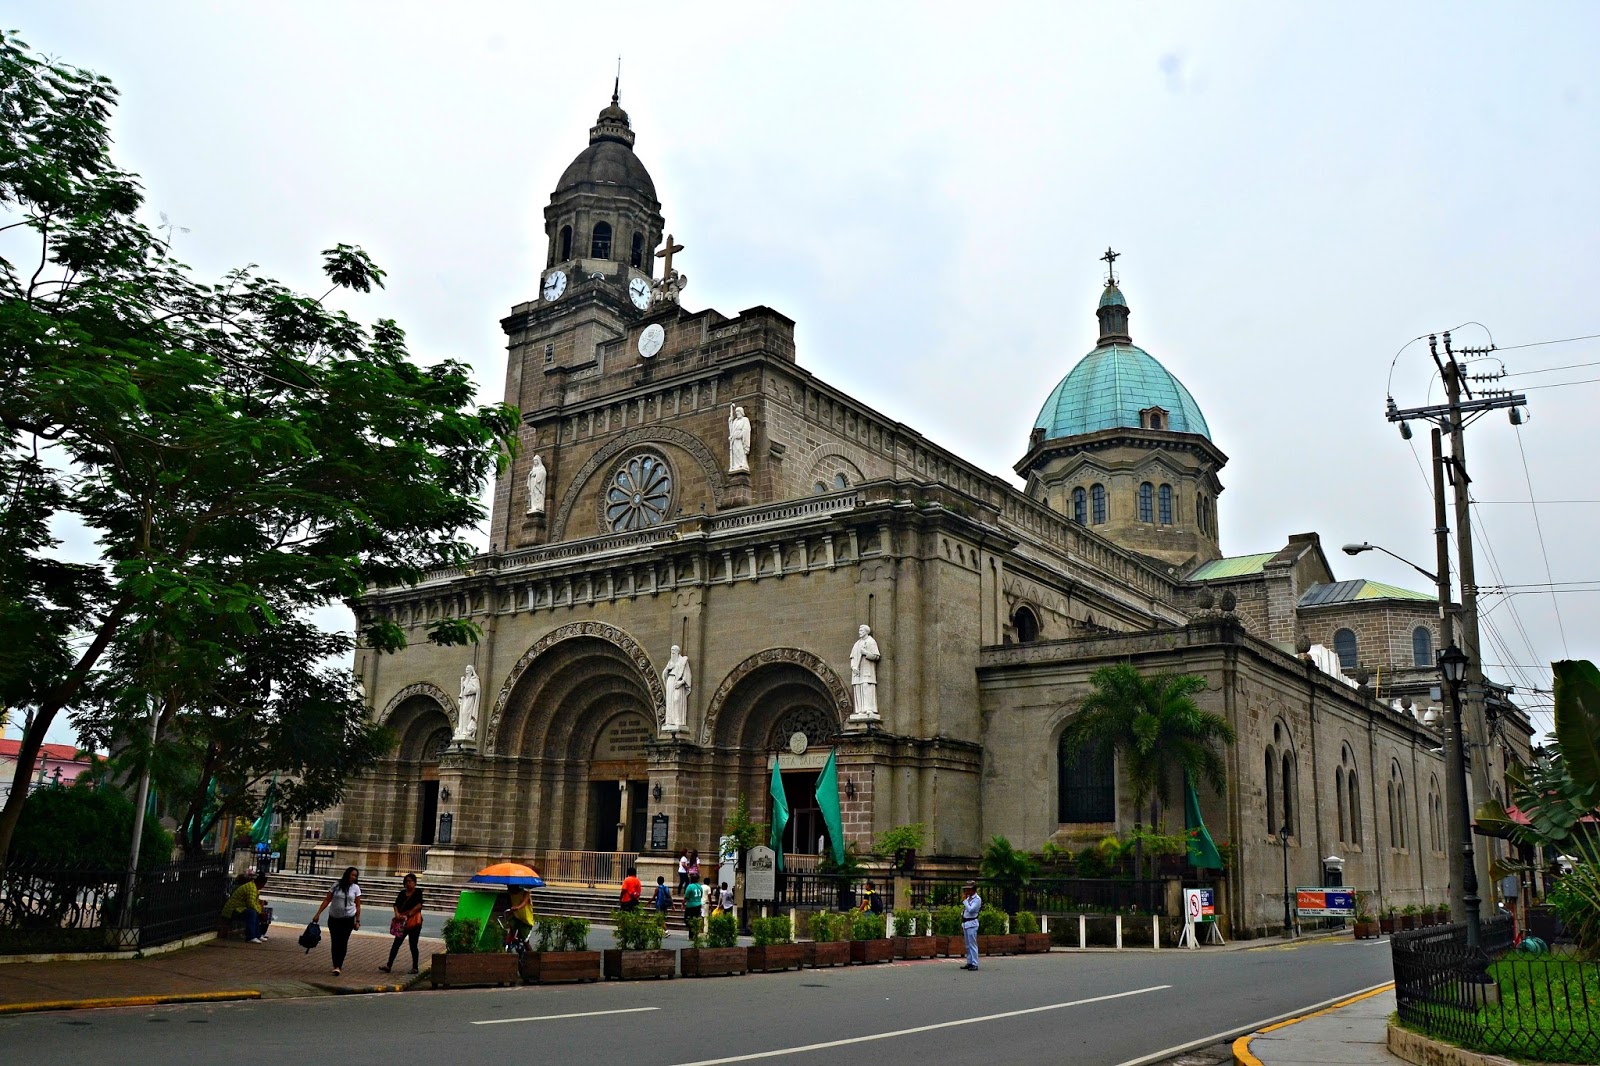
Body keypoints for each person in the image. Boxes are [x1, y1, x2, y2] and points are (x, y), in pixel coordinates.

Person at [313, 866, 362, 976]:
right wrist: (318, 913)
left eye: (355, 876)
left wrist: (357, 920)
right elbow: (327, 899)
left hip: (348, 918)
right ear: (347, 874)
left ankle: (338, 965)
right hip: (334, 918)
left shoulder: (356, 888)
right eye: (352, 875)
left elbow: (358, 905)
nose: (353, 877)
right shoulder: (336, 886)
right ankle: (335, 963)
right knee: (335, 941)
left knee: (343, 942)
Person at [381, 872, 424, 975]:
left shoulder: (418, 892)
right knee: (396, 944)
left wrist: (408, 915)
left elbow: (419, 905)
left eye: (411, 881)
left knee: (413, 945)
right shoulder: (402, 893)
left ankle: (415, 967)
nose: (408, 884)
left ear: (415, 882)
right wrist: (397, 914)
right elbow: (395, 904)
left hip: (414, 923)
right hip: (402, 923)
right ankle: (389, 965)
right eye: (407, 882)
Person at [221, 871, 271, 943]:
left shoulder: (254, 888)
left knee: (255, 913)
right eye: (263, 885)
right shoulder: (251, 888)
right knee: (252, 913)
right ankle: (251, 936)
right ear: (260, 883)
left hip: (240, 909)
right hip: (233, 910)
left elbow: (255, 903)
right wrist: (260, 913)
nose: (263, 887)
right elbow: (251, 903)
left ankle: (257, 935)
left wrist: (260, 912)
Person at [959, 880, 982, 971]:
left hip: (972, 924)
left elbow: (971, 909)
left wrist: (964, 901)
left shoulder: (977, 899)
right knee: (967, 945)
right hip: (966, 923)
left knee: (972, 944)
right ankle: (969, 962)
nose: (966, 891)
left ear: (972, 889)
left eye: (967, 889)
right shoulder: (969, 898)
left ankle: (975, 963)